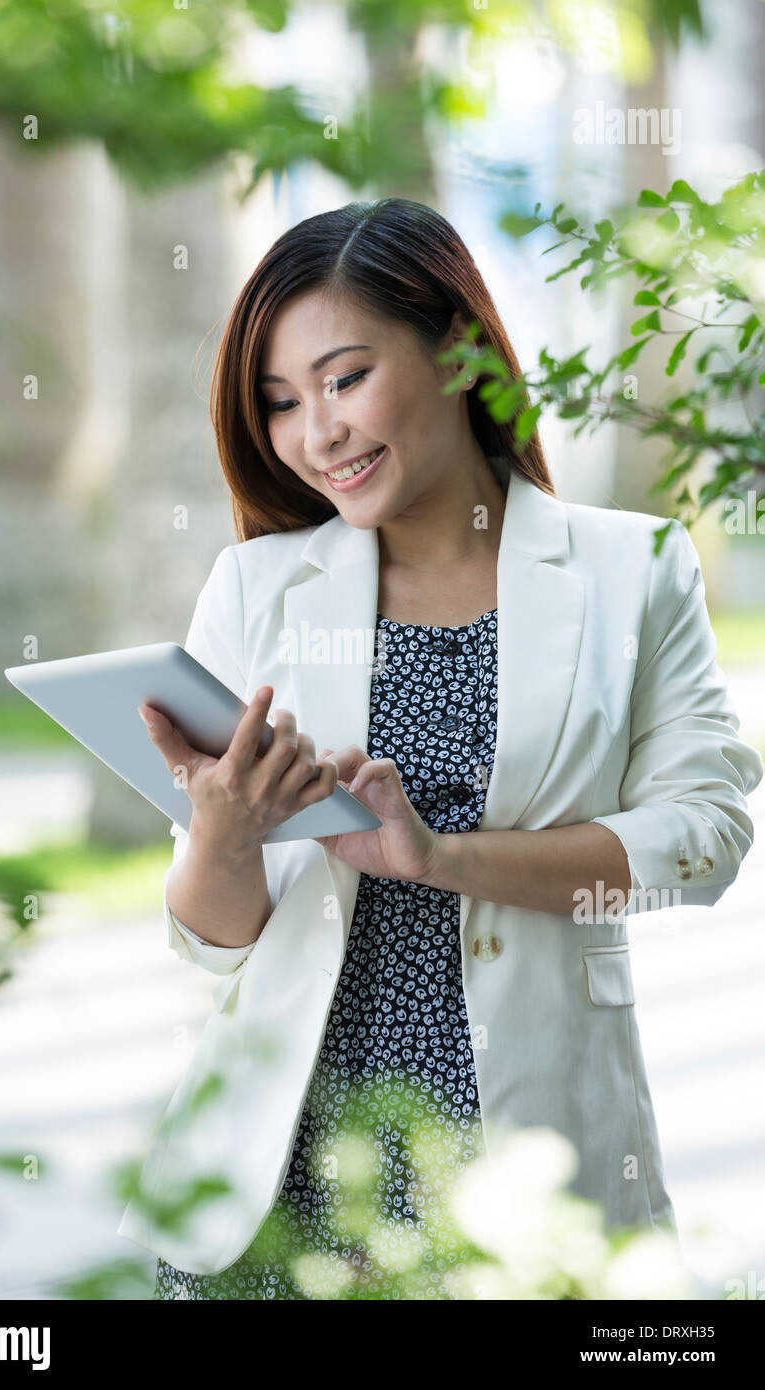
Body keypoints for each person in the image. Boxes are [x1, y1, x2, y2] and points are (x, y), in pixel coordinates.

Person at [117, 197, 763, 1299]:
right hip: (288, 1169)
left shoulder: (634, 568)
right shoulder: (256, 588)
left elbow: (703, 840)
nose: (315, 433)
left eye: (344, 379)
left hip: (524, 1162)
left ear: (460, 352)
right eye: (281, 402)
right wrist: (222, 832)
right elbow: (215, 949)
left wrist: (442, 857)